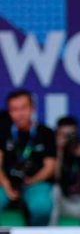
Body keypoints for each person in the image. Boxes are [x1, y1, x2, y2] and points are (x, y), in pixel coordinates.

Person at [0, 90, 56, 226]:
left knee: (42, 207)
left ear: (32, 108)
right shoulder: (2, 130)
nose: (19, 114)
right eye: (14, 109)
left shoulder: (45, 132)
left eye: (23, 108)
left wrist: (31, 181)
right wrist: (6, 185)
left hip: (35, 182)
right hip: (5, 183)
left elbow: (50, 166)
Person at [50, 116, 80, 225]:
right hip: (64, 202)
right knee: (54, 191)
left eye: (71, 134)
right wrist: (59, 151)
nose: (68, 138)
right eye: (64, 135)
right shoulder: (54, 152)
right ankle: (51, 233)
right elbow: (55, 177)